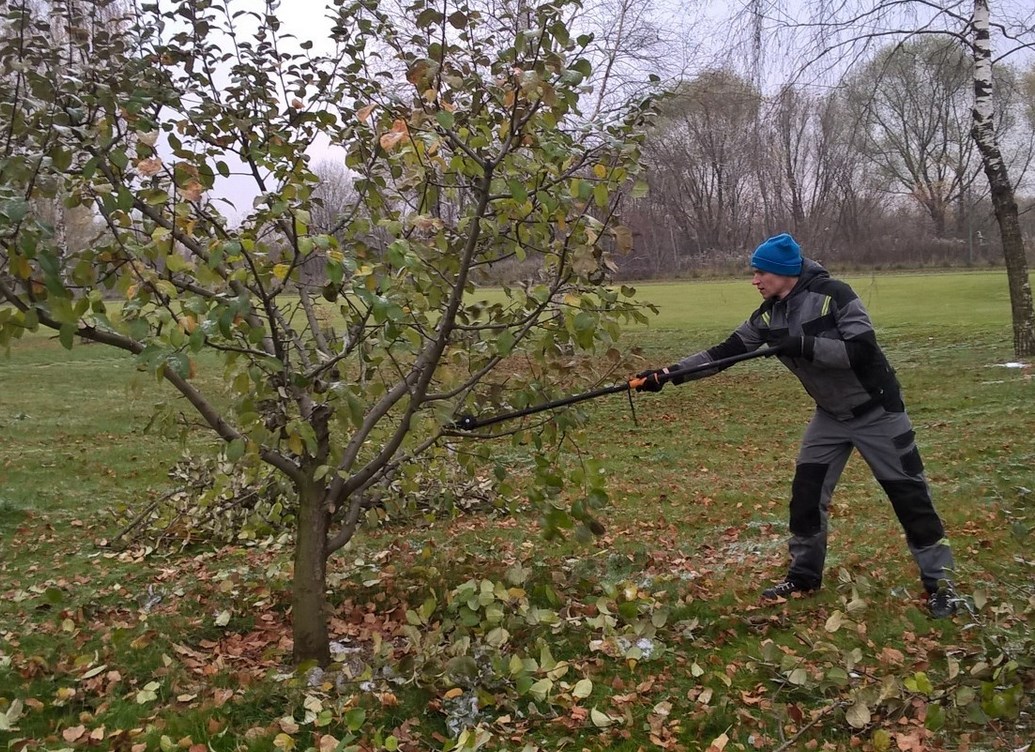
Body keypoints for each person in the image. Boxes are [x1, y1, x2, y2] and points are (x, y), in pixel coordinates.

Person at [635, 233, 958, 618]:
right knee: (806, 496)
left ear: (785, 272)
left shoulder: (834, 295)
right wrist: (668, 374)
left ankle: (941, 585)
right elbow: (724, 353)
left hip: (878, 412)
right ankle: (804, 577)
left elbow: (862, 351)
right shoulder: (769, 315)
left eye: (761, 273)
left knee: (909, 497)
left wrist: (805, 345)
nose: (755, 280)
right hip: (830, 416)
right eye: (754, 273)